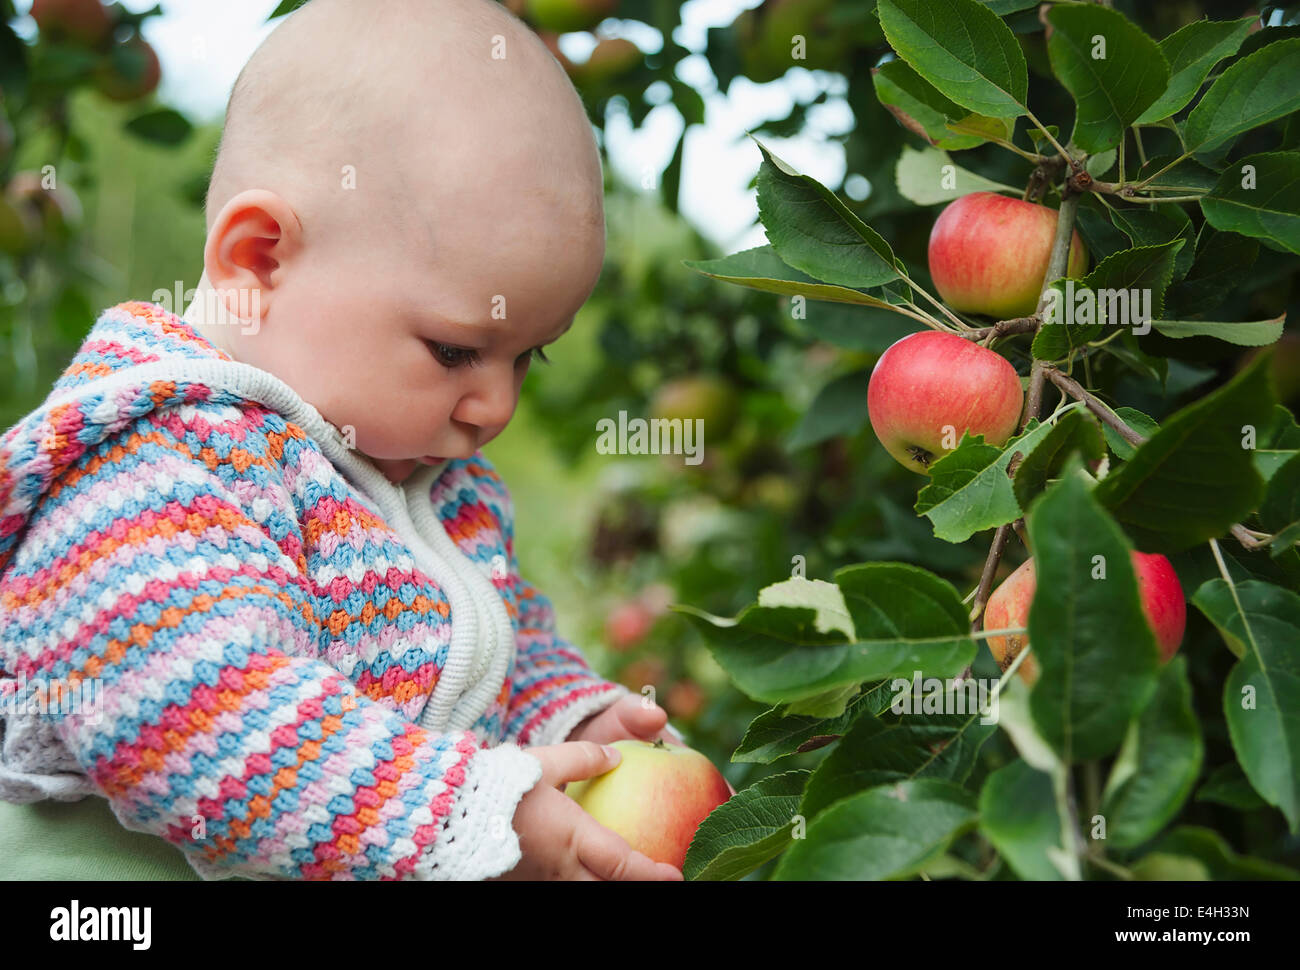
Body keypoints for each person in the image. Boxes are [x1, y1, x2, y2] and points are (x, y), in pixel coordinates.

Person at [0, 0, 699, 881]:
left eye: (530, 355)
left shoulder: (441, 489)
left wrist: (569, 723)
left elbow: (493, 653)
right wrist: (462, 814)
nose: (495, 406)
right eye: (455, 350)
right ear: (259, 260)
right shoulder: (152, 463)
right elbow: (201, 715)